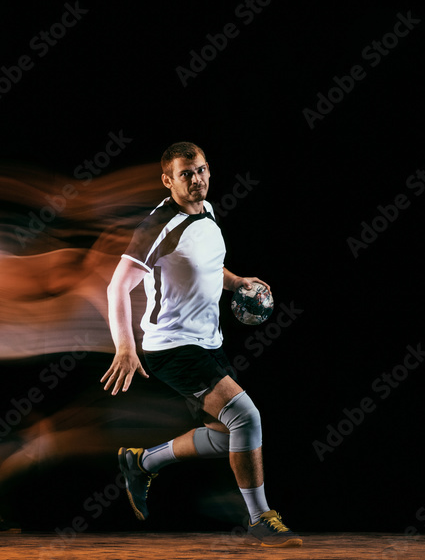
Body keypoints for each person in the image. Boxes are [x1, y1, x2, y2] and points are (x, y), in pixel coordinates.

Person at [100, 142, 301, 548]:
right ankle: (260, 518)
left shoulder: (206, 211)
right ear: (168, 180)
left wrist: (237, 282)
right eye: (187, 174)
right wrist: (125, 346)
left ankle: (140, 462)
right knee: (247, 419)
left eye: (203, 170)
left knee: (231, 438)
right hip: (172, 347)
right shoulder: (158, 225)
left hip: (208, 343)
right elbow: (117, 285)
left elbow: (209, 267)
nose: (197, 180)